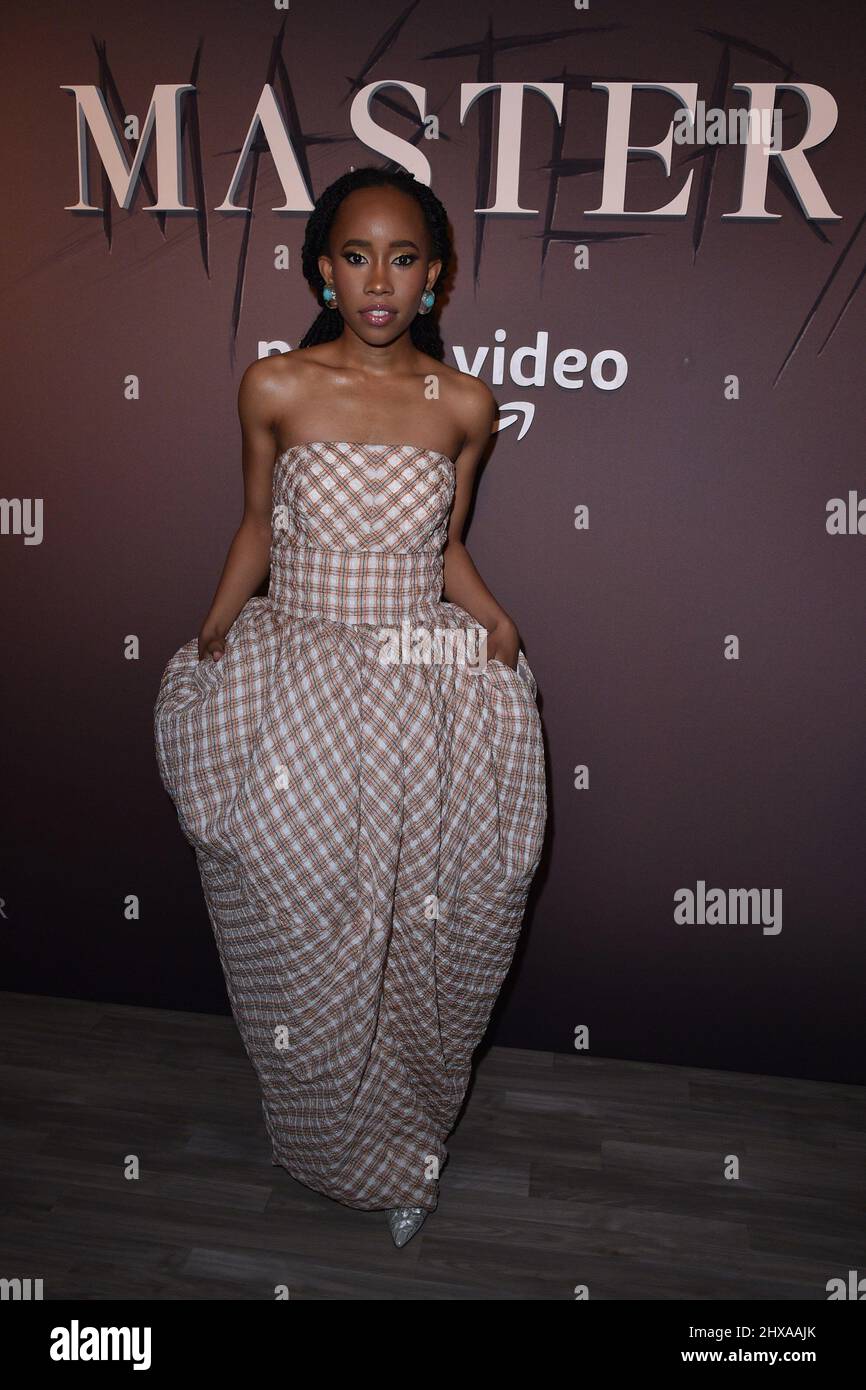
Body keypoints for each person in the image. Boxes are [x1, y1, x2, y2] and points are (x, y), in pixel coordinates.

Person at [153, 165, 547, 1248]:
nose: (380, 278)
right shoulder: (273, 385)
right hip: (303, 683)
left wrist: (498, 622)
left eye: (405, 256)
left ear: (436, 278)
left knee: (419, 932)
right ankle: (318, 1123)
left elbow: (446, 549)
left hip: (421, 687)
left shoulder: (464, 404)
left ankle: (403, 1146)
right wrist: (217, 632)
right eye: (357, 254)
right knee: (308, 922)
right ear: (322, 268)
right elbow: (254, 527)